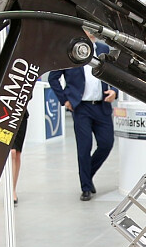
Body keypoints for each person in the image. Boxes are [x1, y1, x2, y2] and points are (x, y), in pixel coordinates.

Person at [49, 32, 115, 201]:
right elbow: (53, 78)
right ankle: (85, 187)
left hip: (102, 106)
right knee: (84, 148)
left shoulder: (103, 48)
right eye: (87, 29)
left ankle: (87, 174)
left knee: (106, 143)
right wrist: (64, 100)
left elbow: (115, 74)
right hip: (81, 107)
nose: (91, 32)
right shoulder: (68, 50)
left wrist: (115, 91)